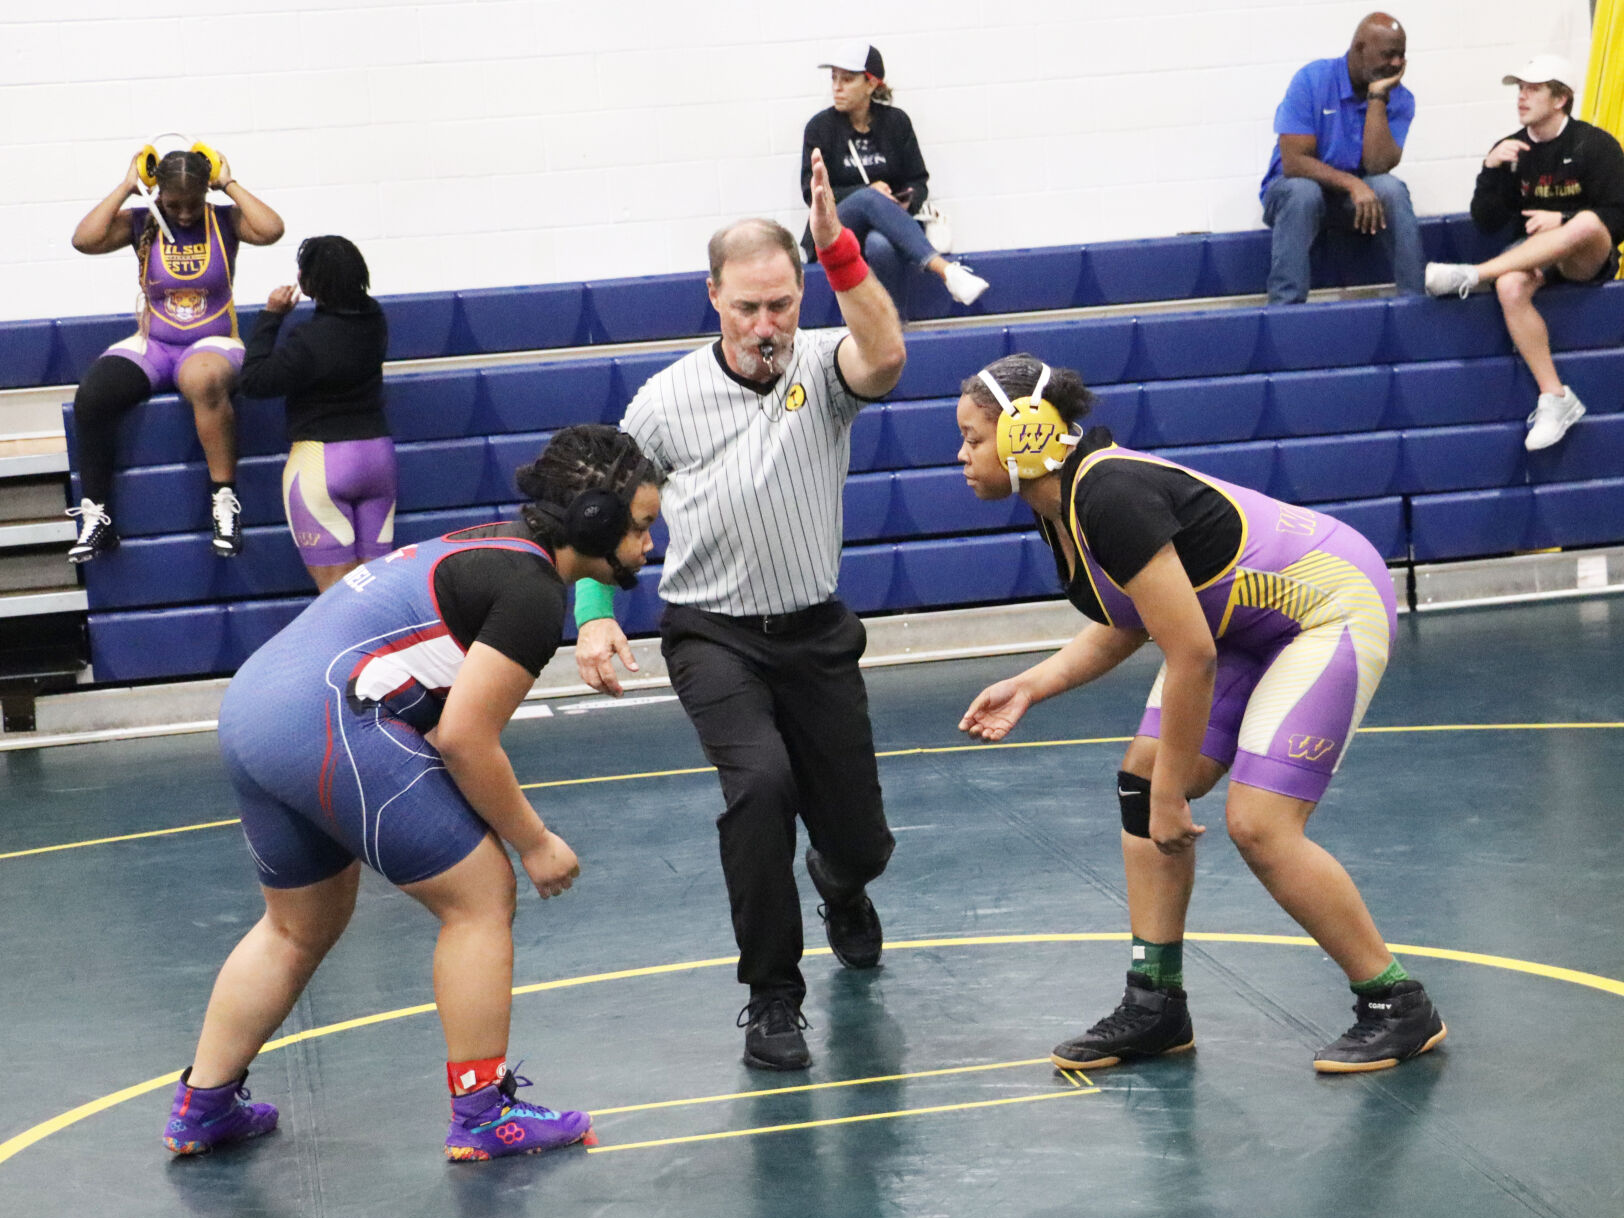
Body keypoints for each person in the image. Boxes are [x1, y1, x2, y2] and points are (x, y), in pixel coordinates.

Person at [161, 426, 663, 1162]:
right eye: (642, 526)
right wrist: (534, 842)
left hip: (253, 709)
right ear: (593, 521)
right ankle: (485, 1114)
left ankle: (202, 1105)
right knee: (481, 894)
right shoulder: (529, 593)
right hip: (320, 715)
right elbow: (464, 737)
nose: (648, 544)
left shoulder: (495, 544)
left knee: (298, 925)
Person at [954, 354, 1447, 1074]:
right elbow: (1134, 616)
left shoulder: (1107, 495)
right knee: (1143, 781)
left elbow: (1189, 654)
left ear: (1025, 434)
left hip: (1328, 609)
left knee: (1259, 823)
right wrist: (1034, 683)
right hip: (1242, 626)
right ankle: (1155, 1003)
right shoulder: (1062, 505)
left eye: (971, 438)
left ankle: (1396, 1001)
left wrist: (1169, 795)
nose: (960, 455)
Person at [572, 150, 907, 1073]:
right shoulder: (665, 400)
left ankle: (841, 881)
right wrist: (596, 610)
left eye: (782, 304)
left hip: (815, 630)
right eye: (747, 307)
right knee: (759, 787)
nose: (766, 324)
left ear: (803, 294)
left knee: (862, 840)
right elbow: (594, 508)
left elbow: (884, 354)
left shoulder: (823, 373)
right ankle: (772, 996)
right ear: (713, 298)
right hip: (712, 632)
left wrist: (841, 251)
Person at [67, 145, 284, 563]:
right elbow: (84, 240)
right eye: (174, 204)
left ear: (207, 192)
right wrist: (128, 187)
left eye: (193, 203)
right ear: (157, 193)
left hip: (212, 342)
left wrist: (228, 183)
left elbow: (272, 228)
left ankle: (224, 501)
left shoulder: (223, 220)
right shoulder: (141, 223)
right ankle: (98, 518)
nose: (184, 214)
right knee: (93, 394)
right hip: (156, 344)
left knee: (202, 380)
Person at [1424, 55, 1624, 451]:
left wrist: (1562, 217)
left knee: (1583, 222)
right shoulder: (1510, 149)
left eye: (1533, 89)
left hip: (1587, 253)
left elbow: (1617, 215)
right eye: (1520, 89)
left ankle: (1474, 274)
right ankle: (1556, 397)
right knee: (1511, 286)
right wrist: (1489, 169)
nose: (1522, 97)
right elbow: (1486, 221)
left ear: (1560, 99)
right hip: (1535, 254)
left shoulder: (1595, 144)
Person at [238, 236, 396, 591]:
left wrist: (270, 318)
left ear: (308, 282)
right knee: (378, 590)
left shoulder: (308, 339)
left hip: (322, 462)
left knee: (339, 597)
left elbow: (254, 381)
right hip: (377, 457)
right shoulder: (375, 319)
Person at [800, 43, 989, 310]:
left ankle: (896, 330)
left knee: (881, 247)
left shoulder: (896, 123)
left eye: (847, 79)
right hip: (837, 224)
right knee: (867, 197)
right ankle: (947, 271)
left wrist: (905, 202)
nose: (837, 87)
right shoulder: (820, 128)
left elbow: (918, 181)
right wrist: (868, 192)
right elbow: (812, 194)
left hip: (885, 226)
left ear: (871, 84)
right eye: (834, 78)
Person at [1259, 13, 1423, 305]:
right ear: (1360, 49)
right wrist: (1351, 183)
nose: (1397, 63)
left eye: (1401, 55)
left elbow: (1376, 166)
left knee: (1392, 190)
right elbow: (1294, 162)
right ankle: (1285, 309)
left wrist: (1377, 98)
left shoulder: (1400, 99)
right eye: (1388, 54)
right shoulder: (1312, 80)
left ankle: (1414, 303)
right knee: (1303, 192)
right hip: (1292, 194)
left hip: (1352, 205)